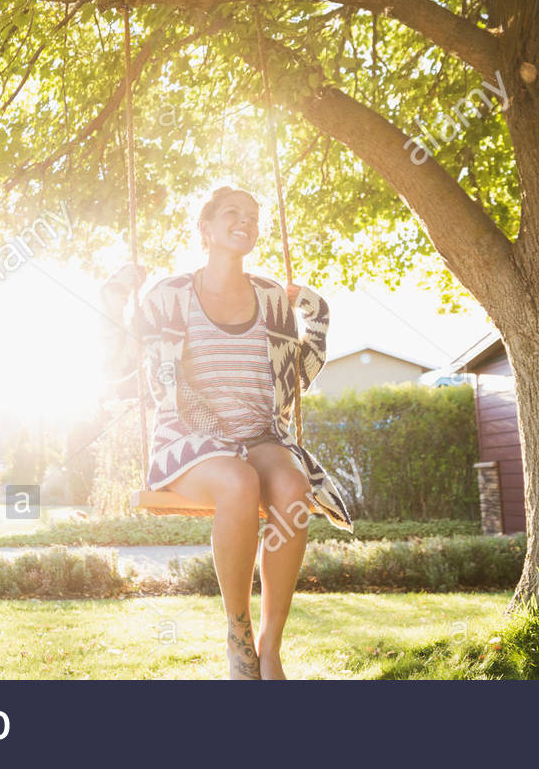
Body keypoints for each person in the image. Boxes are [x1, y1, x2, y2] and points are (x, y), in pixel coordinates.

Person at [100, 185, 352, 680]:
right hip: (189, 441)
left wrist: (316, 314)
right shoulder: (169, 296)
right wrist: (114, 300)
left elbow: (296, 377)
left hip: (261, 436)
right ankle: (238, 637)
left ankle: (270, 645)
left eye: (253, 217)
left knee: (293, 485)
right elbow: (117, 365)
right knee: (238, 482)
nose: (246, 222)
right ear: (206, 230)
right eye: (232, 214)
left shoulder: (271, 298)